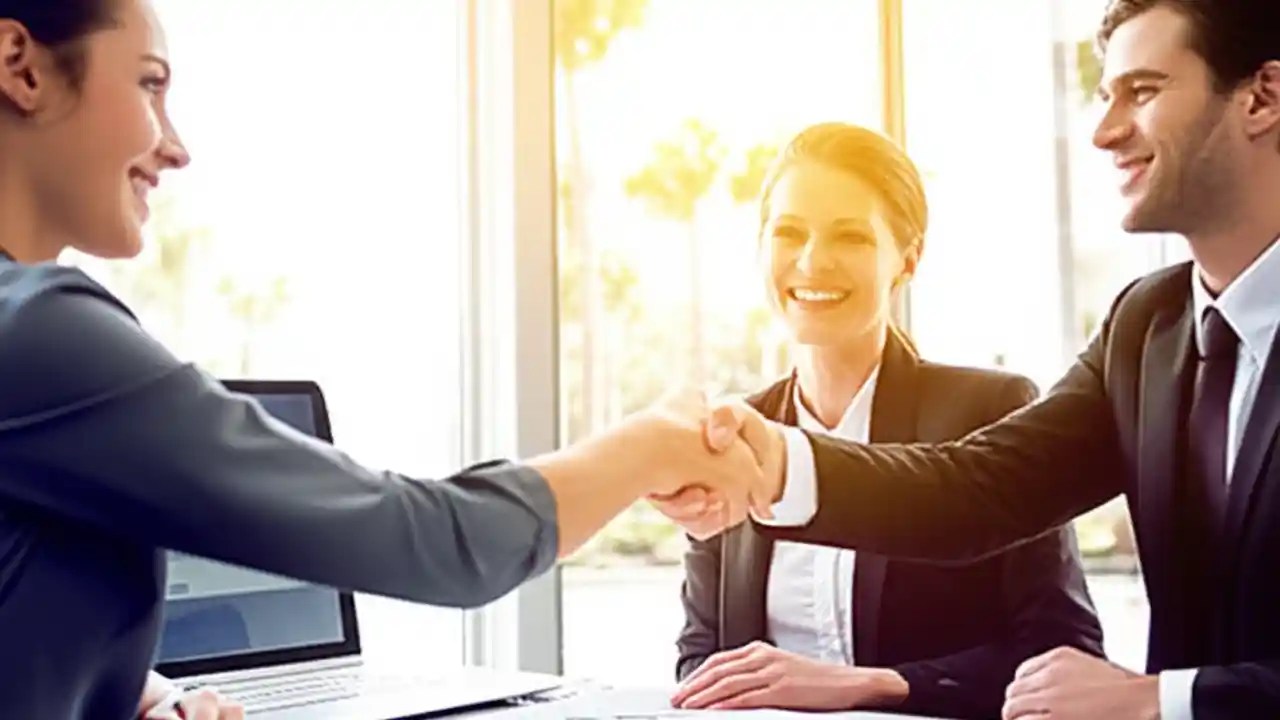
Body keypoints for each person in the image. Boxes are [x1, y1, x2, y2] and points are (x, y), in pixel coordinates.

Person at [0, 2, 772, 718]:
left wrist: (137, 692)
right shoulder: (39, 335)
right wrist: (651, 447)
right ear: (20, 64)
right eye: (150, 84)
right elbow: (434, 543)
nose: (176, 145)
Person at [666, 1, 1280, 718]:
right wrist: (770, 460)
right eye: (1105, 95)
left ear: (1262, 96)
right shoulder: (1148, 329)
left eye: (1142, 92)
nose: (1105, 130)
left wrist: (1162, 699)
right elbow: (978, 490)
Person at [660, 123, 1103, 719]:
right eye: (789, 233)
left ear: (907, 260)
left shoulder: (986, 412)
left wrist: (873, 685)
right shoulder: (732, 434)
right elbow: (702, 662)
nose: (814, 261)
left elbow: (1061, 655)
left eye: (851, 238)